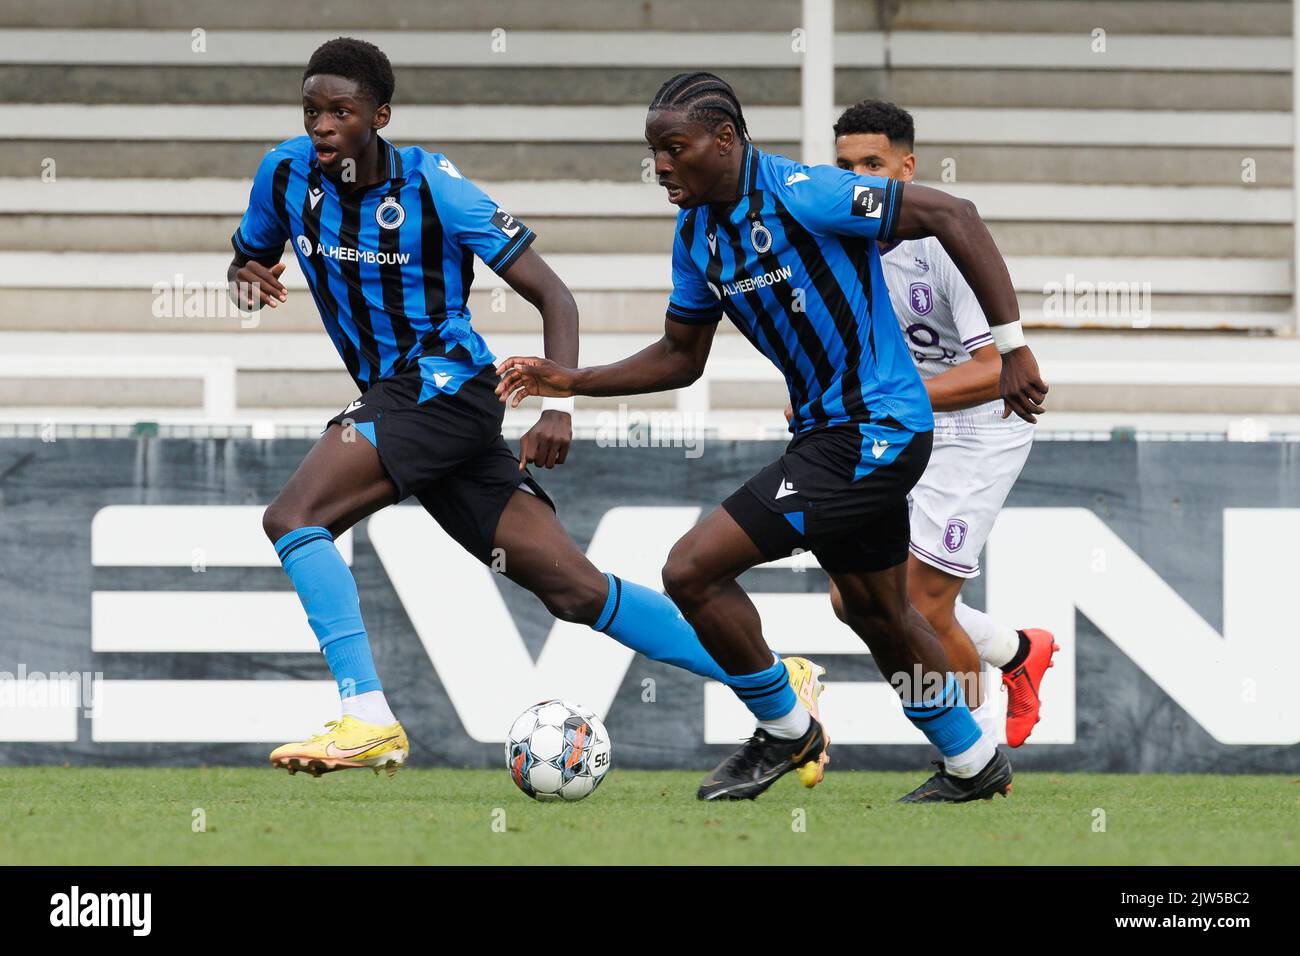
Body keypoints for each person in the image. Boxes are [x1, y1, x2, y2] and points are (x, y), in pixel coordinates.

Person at [227, 39, 825, 779]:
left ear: (379, 117)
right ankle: (773, 679)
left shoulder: (435, 189)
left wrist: (558, 404)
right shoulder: (283, 171)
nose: (321, 126)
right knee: (575, 589)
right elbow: (248, 256)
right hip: (410, 408)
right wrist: (243, 275)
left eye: (340, 112)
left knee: (294, 518)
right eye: (311, 110)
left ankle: (367, 717)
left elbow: (553, 294)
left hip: (441, 388)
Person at [497, 72, 1049, 802]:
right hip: (830, 434)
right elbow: (681, 358)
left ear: (724, 141)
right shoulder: (697, 237)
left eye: (675, 147)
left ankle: (787, 730)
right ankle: (974, 764)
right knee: (880, 614)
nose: (660, 165)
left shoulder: (804, 192)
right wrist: (574, 381)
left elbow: (956, 214)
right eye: (653, 150)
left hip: (874, 429)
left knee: (692, 569)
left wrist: (1012, 348)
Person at [800, 100, 1058, 748]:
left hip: (981, 425)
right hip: (910, 423)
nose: (857, 177)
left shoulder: (943, 245)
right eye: (845, 166)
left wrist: (883, 398)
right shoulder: (844, 243)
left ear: (907, 168)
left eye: (872, 164)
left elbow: (996, 370)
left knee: (923, 604)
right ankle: (1015, 651)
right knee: (853, 596)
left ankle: (978, 756)